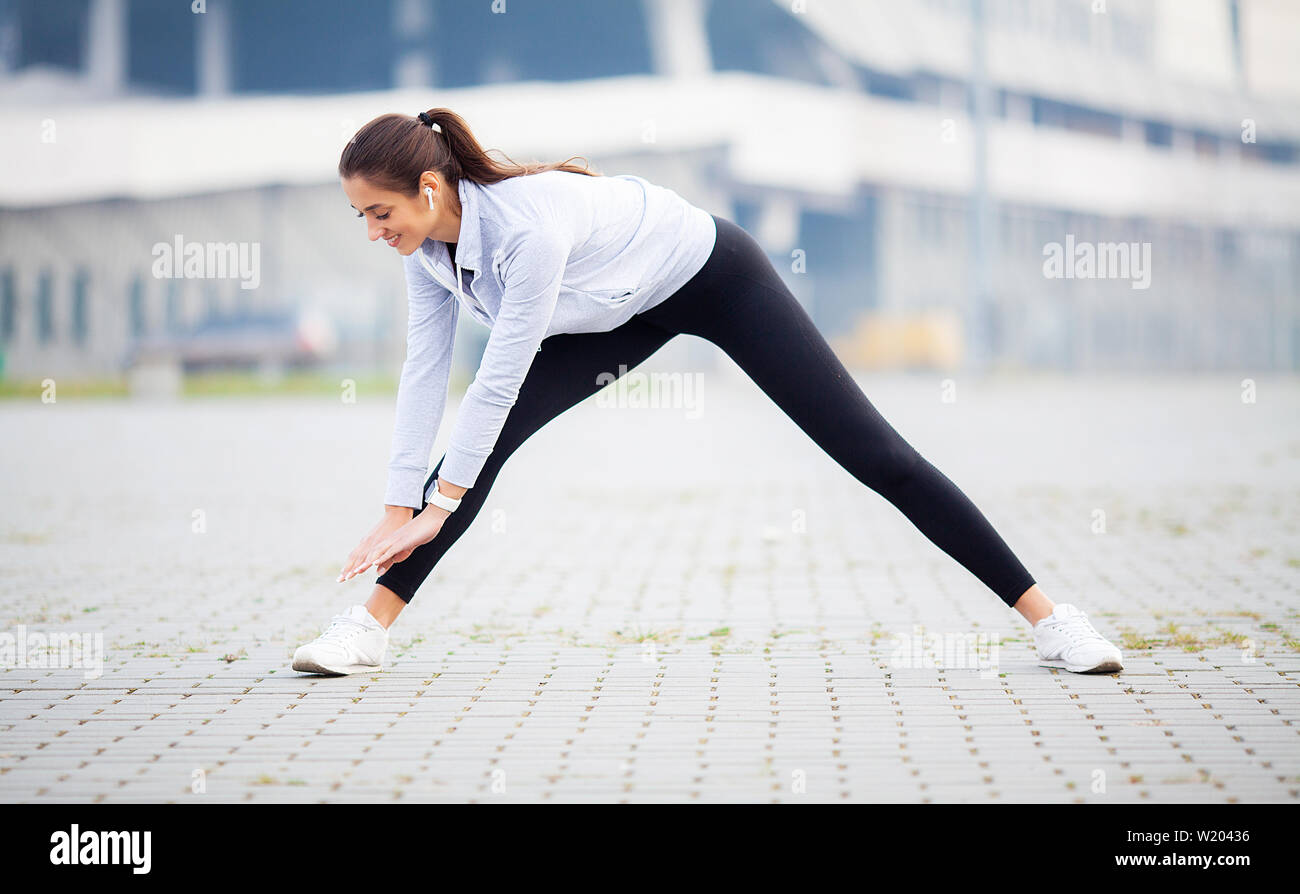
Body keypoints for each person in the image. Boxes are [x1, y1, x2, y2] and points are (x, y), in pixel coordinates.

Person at [291, 107, 1123, 677]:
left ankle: (1054, 622)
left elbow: (498, 374)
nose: (372, 232)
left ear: (428, 191)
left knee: (877, 455)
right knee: (474, 457)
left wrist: (439, 501)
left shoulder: (527, 229)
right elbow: (425, 373)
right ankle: (367, 629)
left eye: (378, 212)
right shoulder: (429, 255)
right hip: (613, 312)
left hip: (710, 274)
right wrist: (404, 505)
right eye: (360, 217)